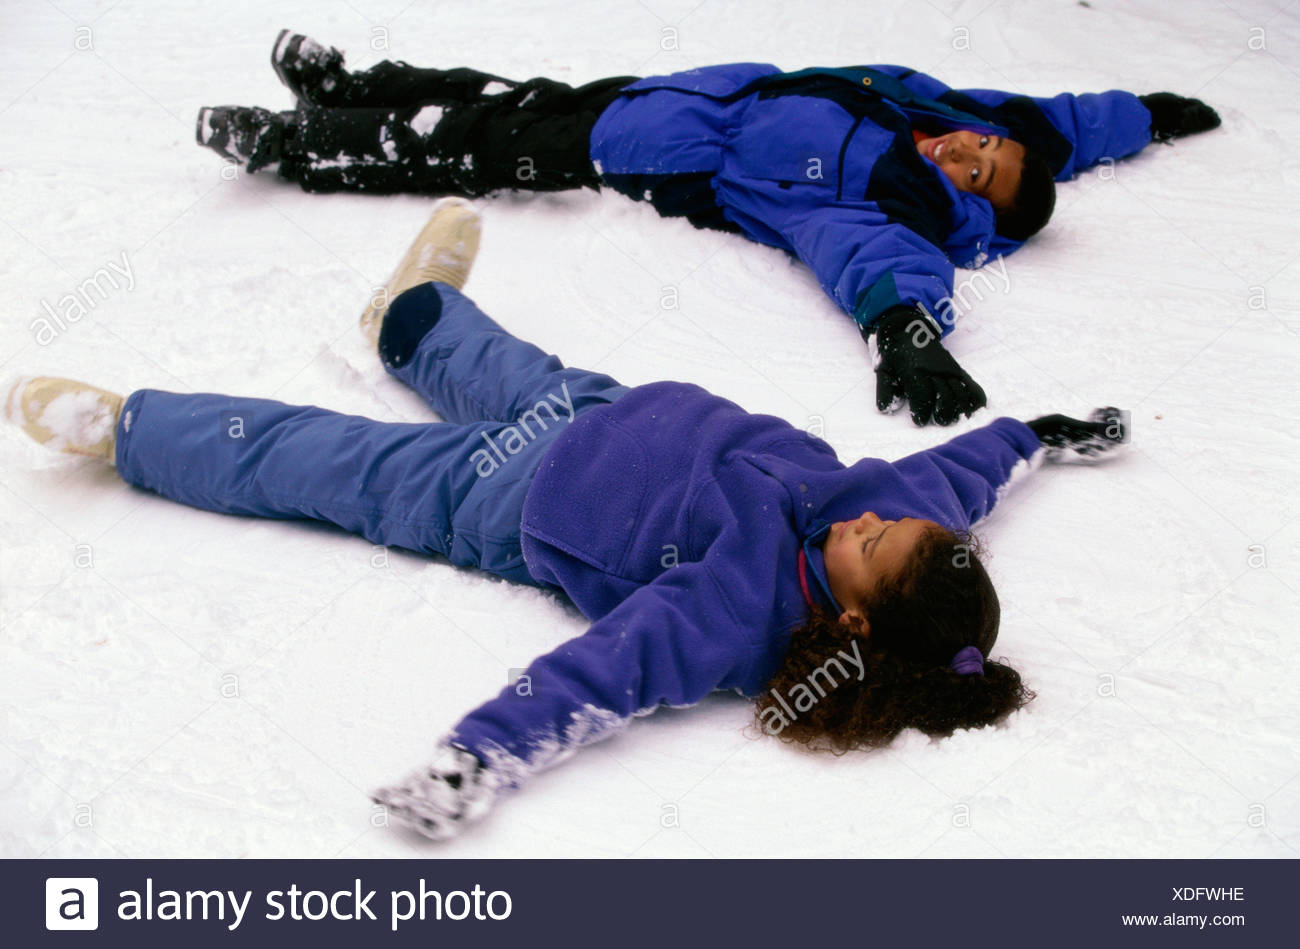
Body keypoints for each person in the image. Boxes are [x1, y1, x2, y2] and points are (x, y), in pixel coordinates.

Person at [5, 200, 1131, 841]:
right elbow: (965, 470)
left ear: (849, 617)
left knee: (327, 458)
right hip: (599, 405)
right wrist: (1043, 430)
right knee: (494, 361)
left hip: (509, 496)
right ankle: (408, 315)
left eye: (874, 545)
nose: (876, 515)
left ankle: (130, 429)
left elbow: (602, 670)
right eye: (896, 523)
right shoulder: (905, 520)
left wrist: (480, 756)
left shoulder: (737, 615)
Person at [195, 32, 1219, 427]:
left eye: (979, 177)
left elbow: (876, 262)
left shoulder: (897, 209)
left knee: (476, 140)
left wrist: (905, 327)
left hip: (664, 156)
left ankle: (298, 143)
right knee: (518, 89)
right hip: (691, 90)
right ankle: (360, 86)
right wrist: (1146, 116)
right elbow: (1068, 126)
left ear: (976, 215)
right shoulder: (966, 116)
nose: (964, 153)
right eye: (980, 149)